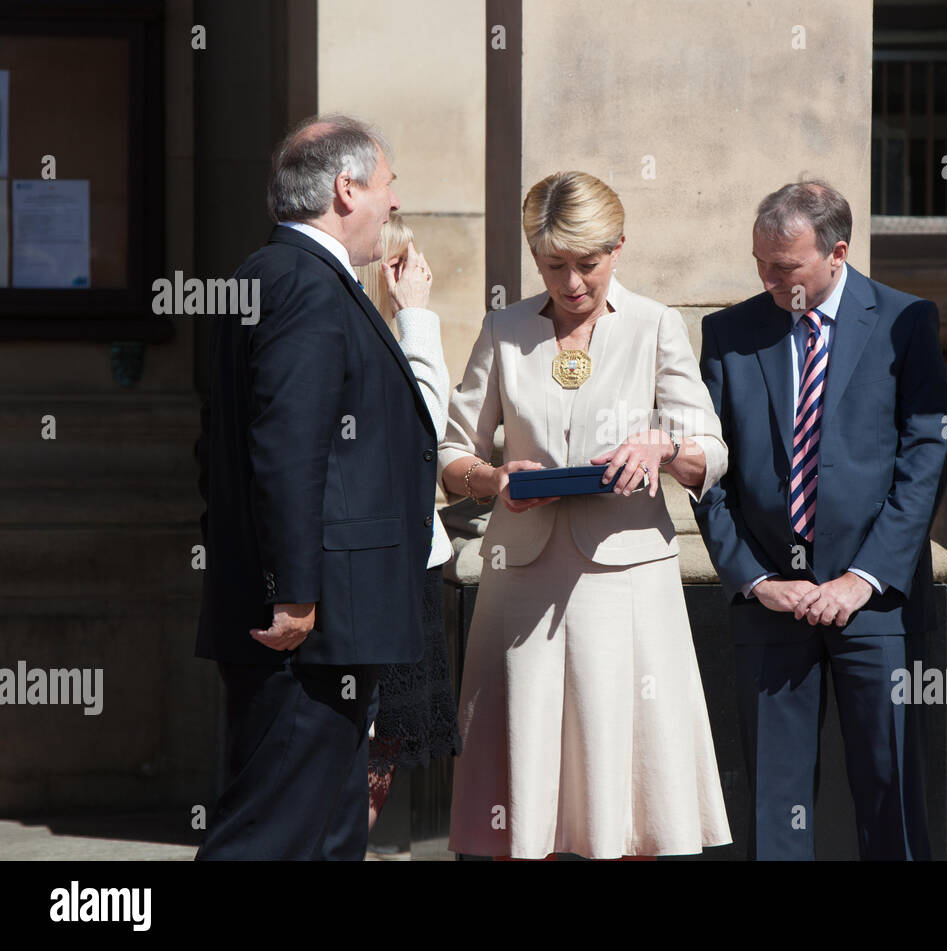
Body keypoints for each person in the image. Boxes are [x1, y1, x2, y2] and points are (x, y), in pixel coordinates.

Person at [440, 170, 732, 859]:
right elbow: (451, 452)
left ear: (619, 247)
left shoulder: (657, 325)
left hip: (628, 583)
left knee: (629, 791)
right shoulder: (504, 328)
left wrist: (662, 445)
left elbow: (711, 450)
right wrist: (493, 477)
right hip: (521, 582)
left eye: (588, 264)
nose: (572, 283)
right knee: (526, 793)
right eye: (553, 265)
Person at [195, 114, 439, 860]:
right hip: (312, 627)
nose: (394, 205)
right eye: (388, 186)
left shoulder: (276, 275)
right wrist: (295, 592)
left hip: (325, 619)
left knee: (329, 840)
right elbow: (286, 449)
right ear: (346, 188)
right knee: (269, 837)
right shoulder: (301, 281)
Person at [693, 180, 947, 860]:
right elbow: (708, 470)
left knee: (890, 788)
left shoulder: (906, 321)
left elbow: (925, 460)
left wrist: (862, 579)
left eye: (785, 267)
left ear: (837, 252)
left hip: (877, 603)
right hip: (772, 603)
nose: (769, 279)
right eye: (760, 263)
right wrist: (753, 578)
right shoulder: (728, 334)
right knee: (776, 802)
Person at [356, 214, 461, 830]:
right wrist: (416, 319)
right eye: (405, 263)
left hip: (412, 566)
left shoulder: (392, 335)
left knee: (382, 757)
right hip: (373, 574)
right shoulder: (377, 332)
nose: (419, 275)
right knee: (361, 756)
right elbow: (420, 433)